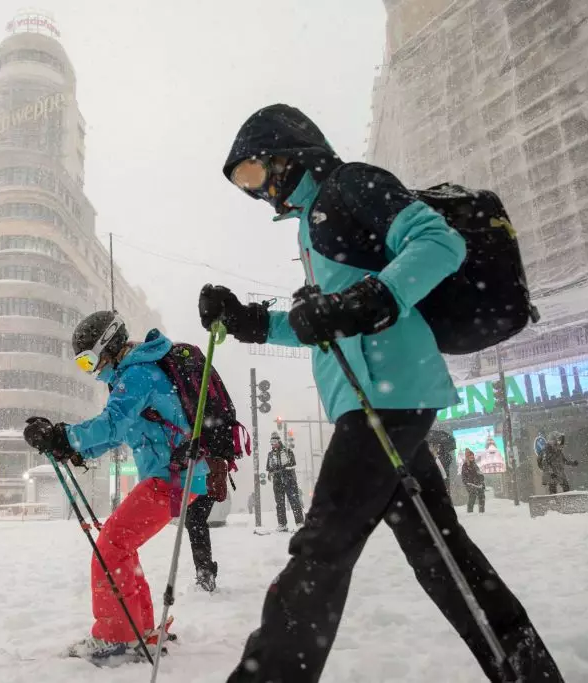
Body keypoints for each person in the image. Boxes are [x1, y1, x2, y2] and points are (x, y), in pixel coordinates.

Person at [200, 104, 562, 682]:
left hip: (385, 399)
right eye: (244, 184)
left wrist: (370, 300)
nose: (258, 191)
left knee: (322, 548)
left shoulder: (351, 184)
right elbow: (324, 320)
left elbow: (438, 242)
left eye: (254, 172)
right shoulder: (312, 221)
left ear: (289, 152)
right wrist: (250, 320)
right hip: (376, 398)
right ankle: (528, 672)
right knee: (440, 554)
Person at [23, 311, 208, 663]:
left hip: (172, 478)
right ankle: (138, 630)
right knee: (120, 545)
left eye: (89, 359)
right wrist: (69, 447)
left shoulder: (138, 374)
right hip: (175, 476)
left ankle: (116, 637)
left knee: (111, 545)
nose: (91, 369)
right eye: (82, 363)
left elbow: (110, 425)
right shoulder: (137, 372)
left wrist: (63, 435)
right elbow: (116, 432)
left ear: (108, 346)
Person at [265, 432, 304, 530]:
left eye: (274, 441)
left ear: (279, 441)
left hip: (289, 479)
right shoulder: (270, 455)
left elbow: (293, 464)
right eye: (271, 441)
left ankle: (300, 523)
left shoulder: (287, 451)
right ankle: (282, 524)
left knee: (294, 500)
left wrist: (285, 468)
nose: (273, 443)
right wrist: (270, 473)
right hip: (277, 481)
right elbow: (268, 468)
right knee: (279, 503)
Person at [185, 490, 219, 592]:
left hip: (202, 484)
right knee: (193, 523)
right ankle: (203, 569)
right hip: (197, 485)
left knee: (195, 522)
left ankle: (205, 570)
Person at [461, 448, 486, 514]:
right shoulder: (465, 465)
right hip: (470, 484)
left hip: (477, 484)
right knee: (473, 496)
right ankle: (470, 512)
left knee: (481, 496)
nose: (472, 457)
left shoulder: (475, 465)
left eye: (472, 455)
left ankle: (482, 511)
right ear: (467, 457)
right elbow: (463, 477)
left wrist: (482, 482)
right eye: (470, 456)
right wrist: (467, 483)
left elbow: (480, 474)